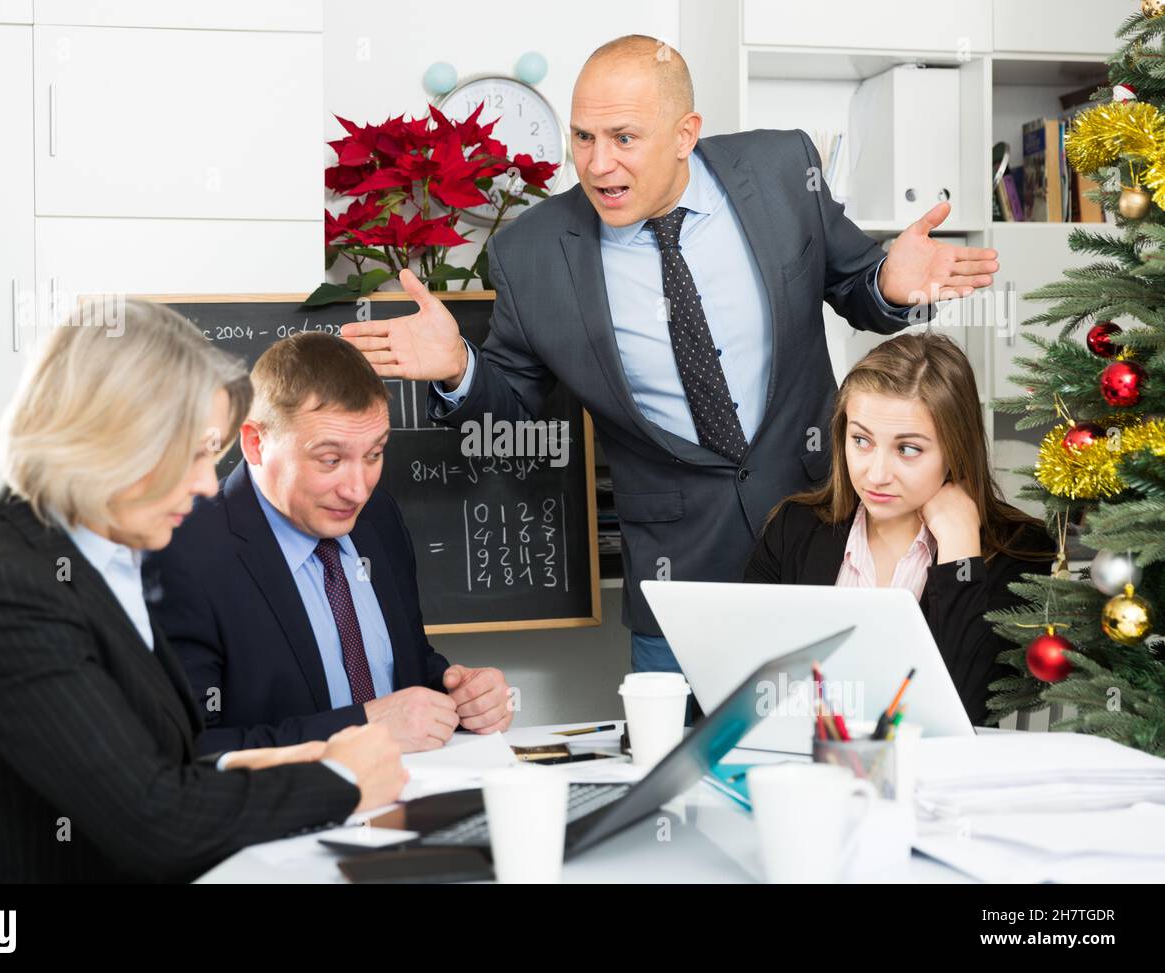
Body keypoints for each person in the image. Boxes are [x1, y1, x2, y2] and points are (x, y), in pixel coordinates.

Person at [340, 33, 999, 684]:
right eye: (583, 138)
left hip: (825, 537)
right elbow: (513, 398)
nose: (598, 165)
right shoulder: (533, 251)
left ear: (685, 133)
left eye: (624, 138)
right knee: (679, 773)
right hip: (679, 579)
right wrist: (460, 366)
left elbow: (857, 284)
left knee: (837, 754)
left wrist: (889, 284)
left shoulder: (778, 171)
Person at [0, 301, 406, 883]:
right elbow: (155, 823)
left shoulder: (94, 559)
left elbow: (153, 767)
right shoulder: (6, 592)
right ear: (112, 439)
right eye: (195, 454)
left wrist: (294, 758)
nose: (206, 484)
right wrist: (339, 782)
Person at [145, 331, 514, 756]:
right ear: (255, 443)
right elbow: (186, 748)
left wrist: (462, 695)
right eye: (330, 460)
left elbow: (405, 665)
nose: (357, 490)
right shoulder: (182, 554)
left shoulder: (379, 518)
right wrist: (362, 727)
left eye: (374, 454)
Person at [743, 333, 1054, 724]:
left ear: (956, 448)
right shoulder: (795, 529)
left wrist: (960, 546)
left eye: (907, 449)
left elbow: (964, 710)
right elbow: (744, 687)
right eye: (861, 440)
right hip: (811, 768)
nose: (876, 474)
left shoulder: (1021, 551)